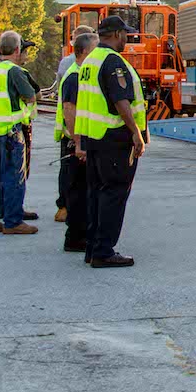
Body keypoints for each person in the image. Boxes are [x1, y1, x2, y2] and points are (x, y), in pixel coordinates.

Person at [76, 15, 148, 267]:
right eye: (125, 34)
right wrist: (135, 132)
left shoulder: (89, 61)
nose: (127, 38)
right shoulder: (113, 62)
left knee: (97, 194)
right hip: (113, 138)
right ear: (117, 34)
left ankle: (93, 248)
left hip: (93, 138)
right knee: (114, 193)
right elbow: (121, 101)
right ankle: (104, 251)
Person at [0, 31, 37, 235]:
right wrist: (25, 113)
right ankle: (13, 221)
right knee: (13, 177)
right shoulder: (14, 71)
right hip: (11, 131)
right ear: (18, 49)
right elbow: (30, 97)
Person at [58, 32, 98, 253]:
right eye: (95, 49)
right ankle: (75, 237)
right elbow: (69, 110)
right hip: (76, 143)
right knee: (79, 191)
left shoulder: (80, 73)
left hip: (78, 141)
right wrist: (79, 142)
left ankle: (79, 235)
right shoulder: (75, 76)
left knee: (82, 190)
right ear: (84, 51)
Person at [13, 39, 40, 222]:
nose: (27, 56)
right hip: (19, 125)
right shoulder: (20, 72)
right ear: (18, 52)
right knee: (19, 171)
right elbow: (34, 95)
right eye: (25, 52)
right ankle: (15, 210)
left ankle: (2, 208)